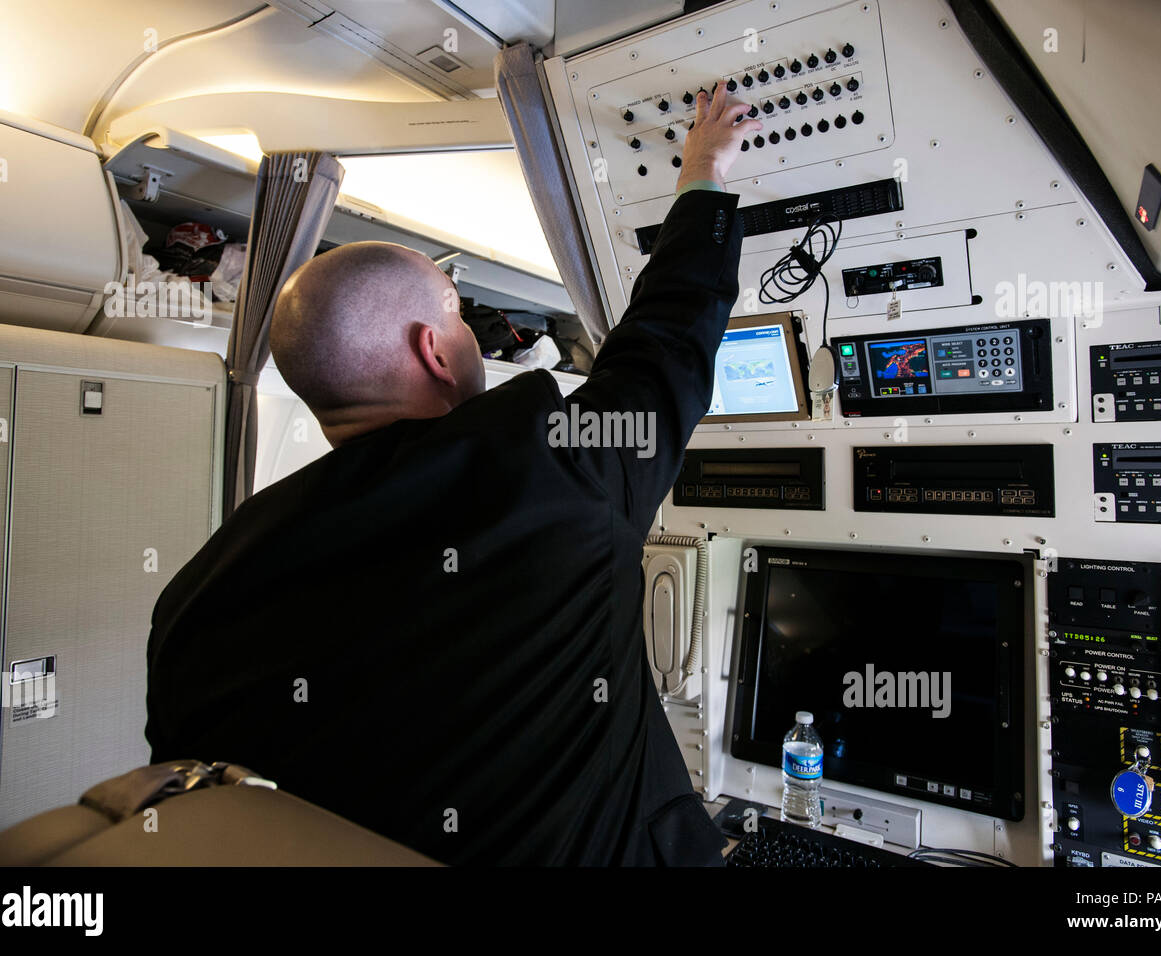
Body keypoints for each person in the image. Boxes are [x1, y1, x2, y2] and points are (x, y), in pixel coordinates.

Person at [145, 84, 762, 865]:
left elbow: (206, 806)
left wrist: (705, 177)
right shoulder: (549, 470)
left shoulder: (197, 595)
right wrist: (701, 169)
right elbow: (667, 341)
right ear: (433, 352)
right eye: (457, 315)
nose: (470, 334)